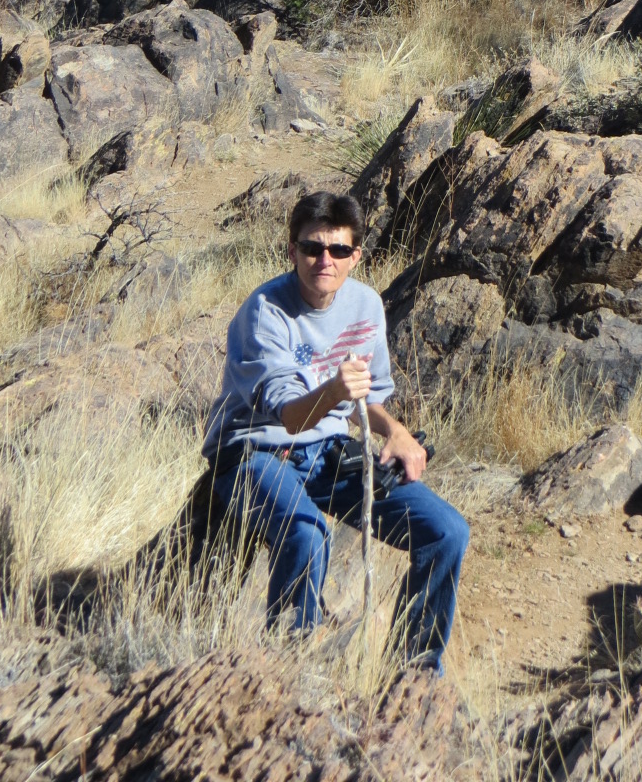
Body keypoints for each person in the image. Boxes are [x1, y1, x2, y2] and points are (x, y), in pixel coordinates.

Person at [201, 189, 469, 670]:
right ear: (292, 251)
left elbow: (367, 394)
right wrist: (333, 391)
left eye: (338, 250)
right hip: (252, 453)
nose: (324, 259)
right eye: (311, 248)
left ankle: (414, 677)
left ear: (356, 256)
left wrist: (396, 431)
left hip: (325, 450)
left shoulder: (366, 305)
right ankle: (289, 672)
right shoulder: (265, 312)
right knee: (308, 533)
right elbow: (287, 416)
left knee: (446, 531)